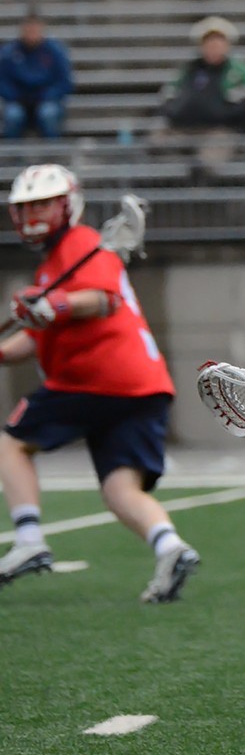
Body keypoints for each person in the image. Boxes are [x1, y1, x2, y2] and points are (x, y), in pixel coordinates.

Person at [0, 164, 198, 602]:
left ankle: (30, 539)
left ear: (67, 204)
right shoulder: (54, 267)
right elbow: (32, 338)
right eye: (26, 206)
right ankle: (171, 548)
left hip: (97, 376)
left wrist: (55, 305)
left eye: (42, 204)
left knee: (11, 444)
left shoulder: (83, 244)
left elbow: (101, 300)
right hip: (142, 386)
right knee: (118, 488)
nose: (32, 214)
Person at [151, 16, 245, 178]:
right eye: (209, 42)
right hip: (186, 127)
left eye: (218, 42)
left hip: (221, 129)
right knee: (158, 139)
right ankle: (178, 178)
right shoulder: (189, 69)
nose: (214, 47)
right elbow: (168, 96)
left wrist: (224, 113)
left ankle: (202, 186)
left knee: (211, 156)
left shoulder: (239, 70)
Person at [0, 12, 74, 140]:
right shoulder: (9, 53)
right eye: (28, 29)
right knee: (13, 115)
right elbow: (2, 81)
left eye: (34, 29)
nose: (31, 33)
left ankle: (52, 153)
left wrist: (47, 96)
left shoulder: (55, 51)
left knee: (48, 114)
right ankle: (12, 157)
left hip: (47, 101)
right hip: (18, 101)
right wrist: (16, 96)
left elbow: (64, 82)